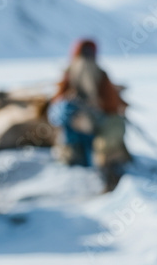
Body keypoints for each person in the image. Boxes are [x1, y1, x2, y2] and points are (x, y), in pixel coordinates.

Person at [49, 38, 130, 191]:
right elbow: (112, 105)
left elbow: (57, 100)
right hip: (85, 121)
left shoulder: (73, 73)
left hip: (90, 121)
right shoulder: (93, 73)